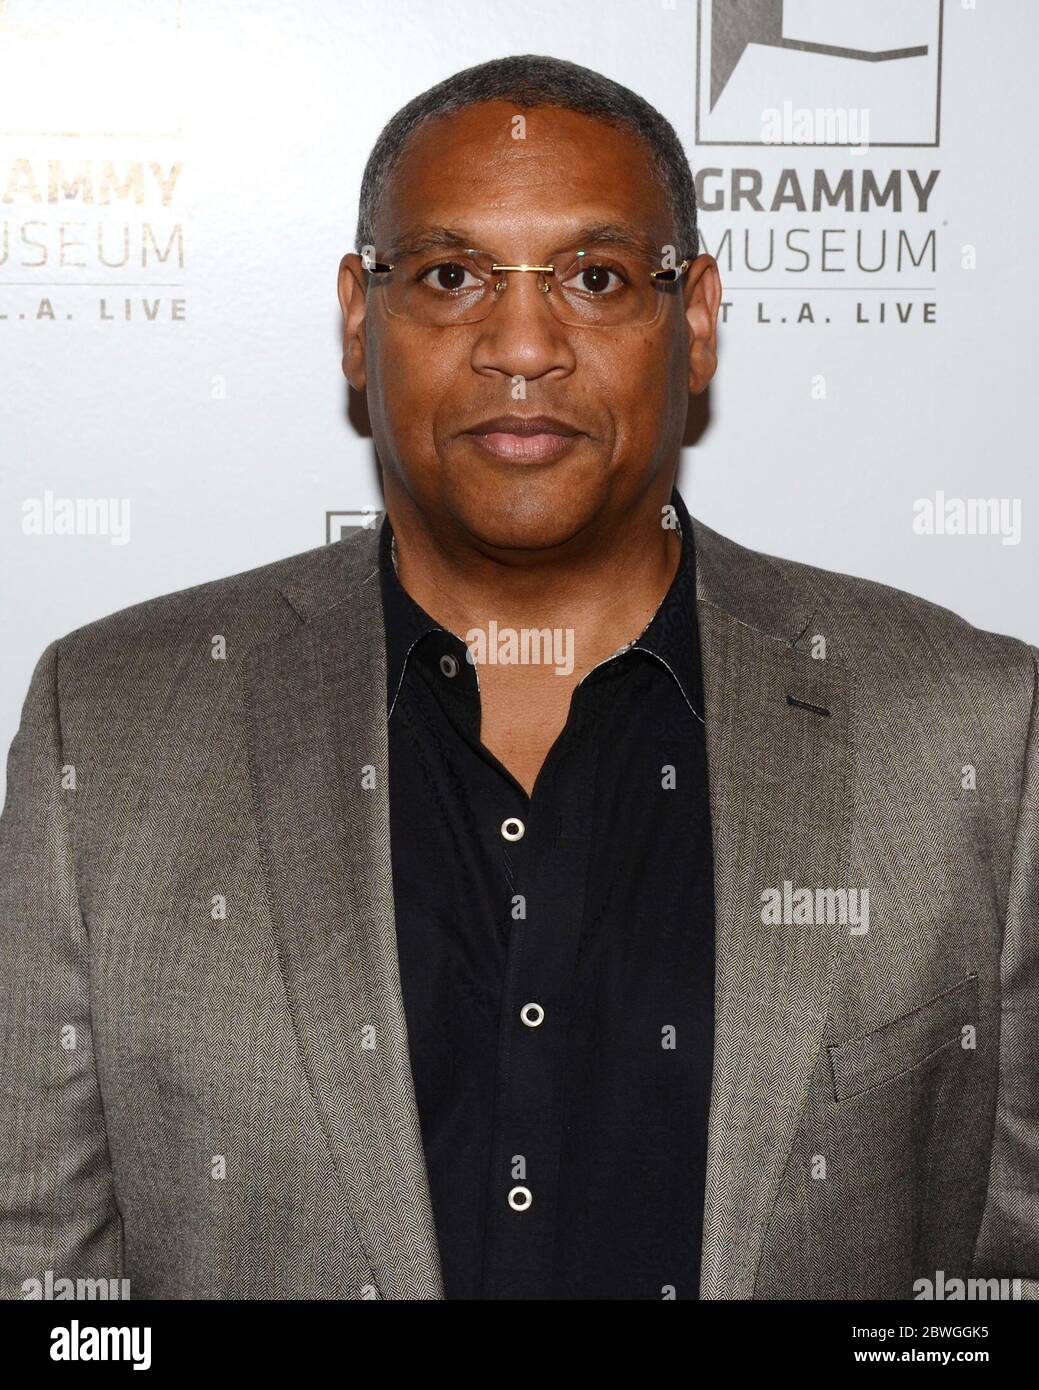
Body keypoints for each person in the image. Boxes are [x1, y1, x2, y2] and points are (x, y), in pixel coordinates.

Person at [1, 54, 1036, 1302]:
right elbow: (46, 1289)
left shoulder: (972, 732)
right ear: (356, 314)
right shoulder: (107, 727)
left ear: (695, 318)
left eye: (595, 280)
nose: (524, 346)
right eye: (450, 276)